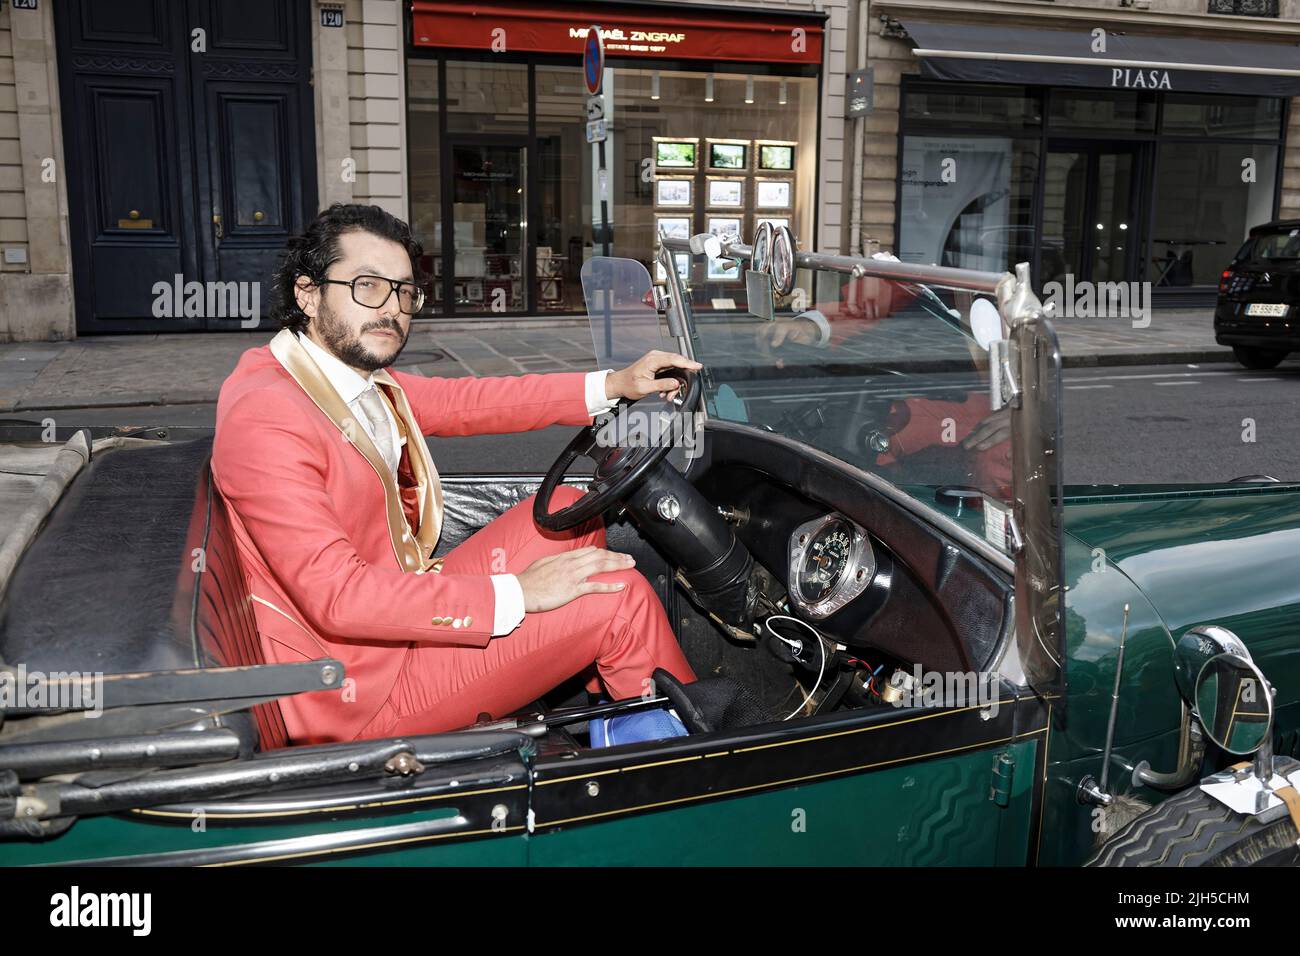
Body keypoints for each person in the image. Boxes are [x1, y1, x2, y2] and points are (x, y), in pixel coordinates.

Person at [212, 203, 699, 746]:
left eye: (402, 292)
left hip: (394, 617)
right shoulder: (269, 413)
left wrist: (613, 385)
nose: (390, 309)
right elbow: (340, 598)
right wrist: (516, 594)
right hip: (356, 689)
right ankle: (668, 760)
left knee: (568, 511)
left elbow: (469, 400)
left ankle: (614, 702)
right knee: (619, 597)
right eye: (367, 286)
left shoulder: (341, 377)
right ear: (307, 293)